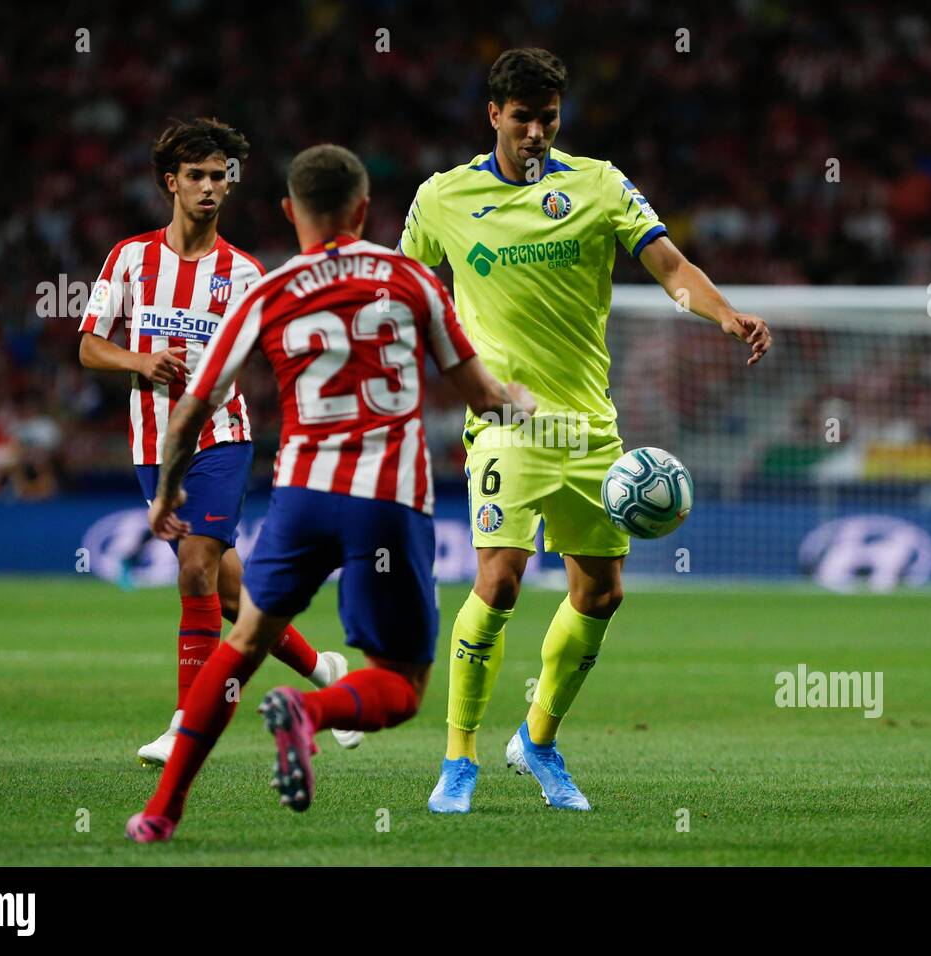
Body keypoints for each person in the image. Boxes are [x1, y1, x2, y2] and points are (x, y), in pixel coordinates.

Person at [125, 144, 534, 843]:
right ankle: (309, 712)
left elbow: (194, 405)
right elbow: (481, 395)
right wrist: (514, 404)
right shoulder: (411, 282)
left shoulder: (268, 291)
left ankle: (161, 812)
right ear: (364, 210)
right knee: (402, 684)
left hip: (302, 497)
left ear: (290, 212)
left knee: (245, 639)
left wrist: (166, 492)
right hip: (387, 502)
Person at [398, 48, 771, 813]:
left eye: (549, 119)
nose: (537, 132)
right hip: (503, 420)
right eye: (524, 118)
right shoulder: (443, 198)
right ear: (494, 115)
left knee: (599, 595)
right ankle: (458, 757)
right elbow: (405, 289)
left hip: (589, 429)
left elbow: (669, 267)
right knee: (498, 579)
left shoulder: (599, 184)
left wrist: (724, 312)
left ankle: (536, 740)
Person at [78, 118, 359, 764]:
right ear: (171, 182)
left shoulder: (244, 272)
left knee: (196, 564)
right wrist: (138, 363)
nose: (210, 187)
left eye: (219, 176)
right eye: (197, 176)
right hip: (154, 442)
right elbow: (89, 345)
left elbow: (279, 354)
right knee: (233, 595)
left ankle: (184, 722)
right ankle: (326, 671)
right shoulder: (130, 258)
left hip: (221, 437)